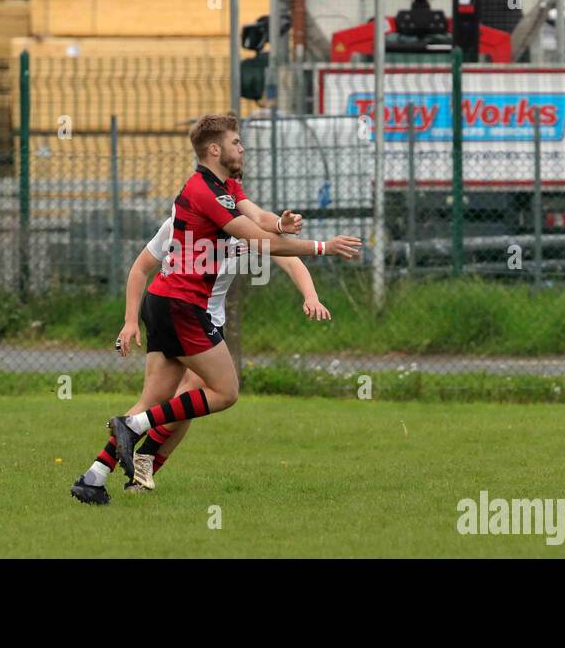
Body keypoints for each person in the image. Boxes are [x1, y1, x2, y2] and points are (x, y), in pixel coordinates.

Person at [69, 113, 362, 504]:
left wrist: (282, 223)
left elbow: (260, 221)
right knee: (223, 392)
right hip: (183, 307)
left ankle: (93, 478)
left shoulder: (225, 190)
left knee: (167, 403)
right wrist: (322, 246)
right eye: (236, 142)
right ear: (214, 149)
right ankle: (137, 437)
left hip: (173, 305)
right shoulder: (204, 197)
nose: (242, 148)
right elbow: (261, 240)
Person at [71, 214, 332, 503]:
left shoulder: (244, 229)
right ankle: (145, 457)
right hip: (185, 315)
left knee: (162, 401)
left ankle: (93, 477)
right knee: (205, 393)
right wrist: (129, 321)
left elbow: (290, 258)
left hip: (184, 315)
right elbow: (141, 267)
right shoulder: (178, 223)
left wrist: (311, 296)